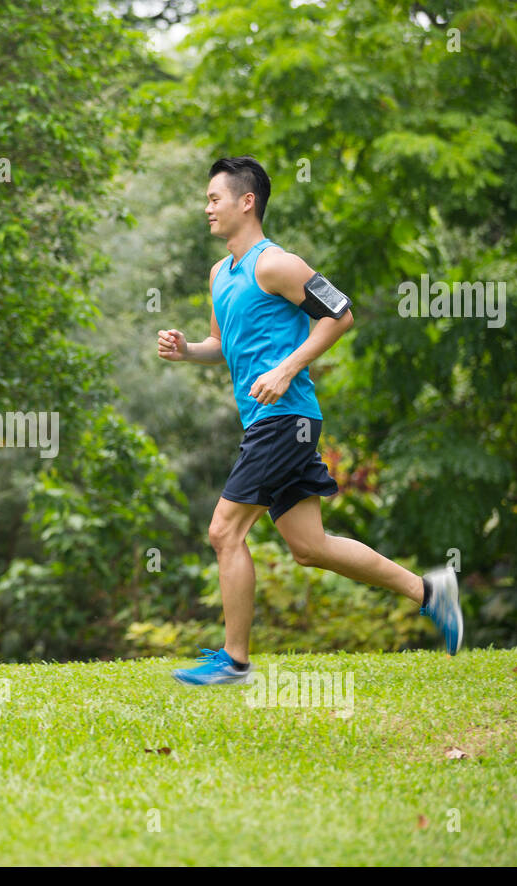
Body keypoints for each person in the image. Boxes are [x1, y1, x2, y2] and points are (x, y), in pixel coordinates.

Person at [157, 156, 462, 686]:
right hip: (266, 421)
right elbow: (223, 347)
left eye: (214, 198)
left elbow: (340, 314)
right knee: (309, 547)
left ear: (245, 201)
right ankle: (430, 591)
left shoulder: (277, 264)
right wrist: (188, 351)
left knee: (223, 530)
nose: (206, 208)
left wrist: (288, 367)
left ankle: (235, 661)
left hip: (286, 417)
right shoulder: (220, 274)